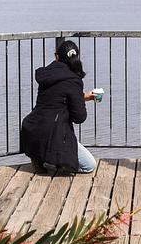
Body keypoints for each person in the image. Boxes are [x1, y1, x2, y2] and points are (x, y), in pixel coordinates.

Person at [19, 39, 99, 174]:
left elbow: (55, 100)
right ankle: (57, 162)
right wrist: (79, 99)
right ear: (76, 57)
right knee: (89, 165)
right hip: (54, 135)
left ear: (56, 56)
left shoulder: (46, 75)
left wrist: (82, 97)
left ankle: (41, 157)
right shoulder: (73, 80)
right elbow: (79, 117)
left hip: (32, 129)